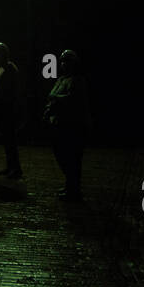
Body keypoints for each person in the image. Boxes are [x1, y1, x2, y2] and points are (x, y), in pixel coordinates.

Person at [44, 49, 91, 201]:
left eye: (67, 61)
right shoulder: (62, 79)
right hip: (60, 124)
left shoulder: (78, 80)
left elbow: (72, 99)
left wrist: (55, 98)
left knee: (73, 158)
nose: (64, 64)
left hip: (73, 125)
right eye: (63, 61)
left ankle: (74, 189)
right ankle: (69, 184)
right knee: (62, 156)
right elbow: (52, 98)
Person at [0, 42, 22, 179]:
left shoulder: (10, 68)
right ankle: (10, 166)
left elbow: (13, 89)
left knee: (11, 139)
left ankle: (16, 168)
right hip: (0, 108)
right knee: (6, 139)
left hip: (8, 108)